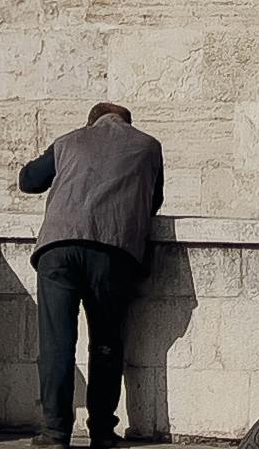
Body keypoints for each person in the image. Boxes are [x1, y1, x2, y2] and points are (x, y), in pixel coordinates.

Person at [16, 99, 163, 449]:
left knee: (56, 343)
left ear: (91, 122)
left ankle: (55, 432)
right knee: (107, 343)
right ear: (127, 123)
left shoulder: (69, 140)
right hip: (112, 250)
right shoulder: (148, 146)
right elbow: (154, 201)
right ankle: (101, 431)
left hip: (58, 250)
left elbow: (28, 181)